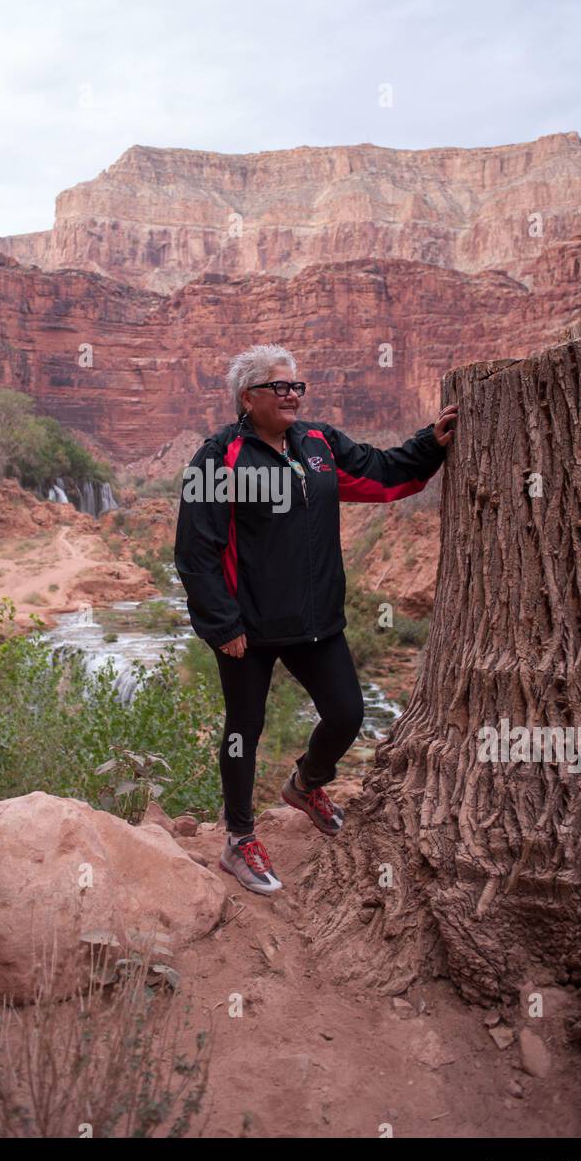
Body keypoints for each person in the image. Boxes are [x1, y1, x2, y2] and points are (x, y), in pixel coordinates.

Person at [174, 343, 458, 896]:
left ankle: (306, 784)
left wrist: (430, 444)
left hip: (316, 621)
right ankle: (238, 839)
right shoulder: (217, 457)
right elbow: (195, 550)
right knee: (243, 732)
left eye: (297, 386)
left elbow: (380, 474)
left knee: (348, 714)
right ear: (247, 398)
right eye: (279, 387)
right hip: (247, 630)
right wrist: (222, 625)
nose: (293, 396)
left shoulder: (320, 445)